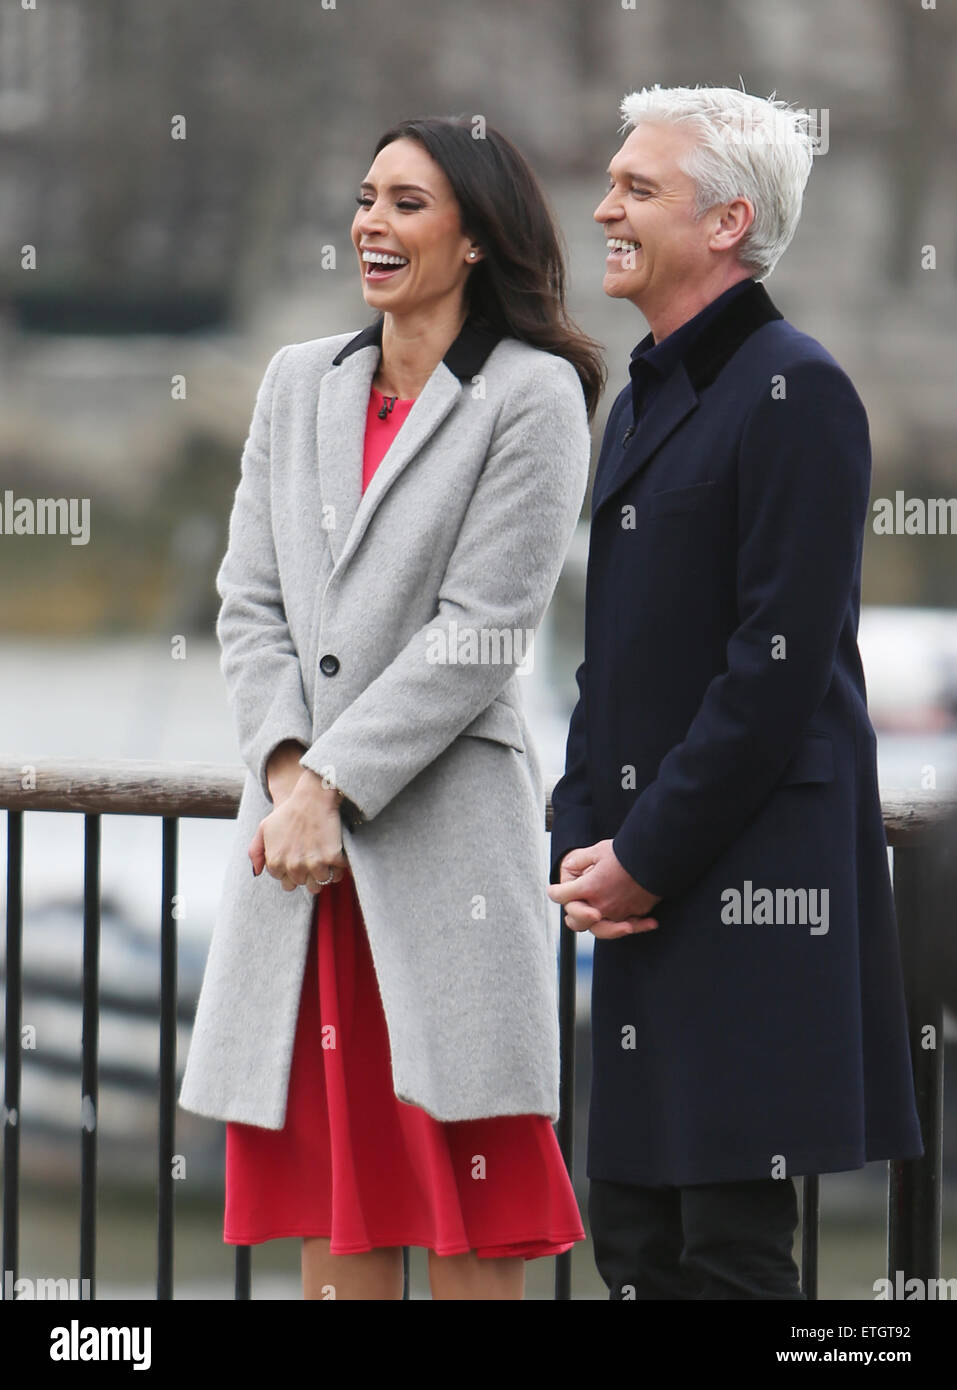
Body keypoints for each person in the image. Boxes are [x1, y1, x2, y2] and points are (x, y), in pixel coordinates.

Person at [178, 114, 606, 1301]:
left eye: (407, 203)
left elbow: (481, 632)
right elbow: (247, 602)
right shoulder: (295, 381)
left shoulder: (532, 395)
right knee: (337, 1214)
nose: (371, 222)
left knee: (470, 1223)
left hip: (442, 859)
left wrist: (328, 784)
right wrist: (285, 780)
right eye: (367, 197)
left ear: (475, 237)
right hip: (303, 872)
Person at [548, 85, 923, 1300]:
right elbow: (609, 659)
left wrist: (640, 856)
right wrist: (579, 839)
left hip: (753, 892)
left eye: (637, 188)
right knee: (635, 1249)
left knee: (731, 1259)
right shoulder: (641, 397)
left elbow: (775, 670)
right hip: (644, 893)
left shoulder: (797, 387)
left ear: (727, 221)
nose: (604, 209)